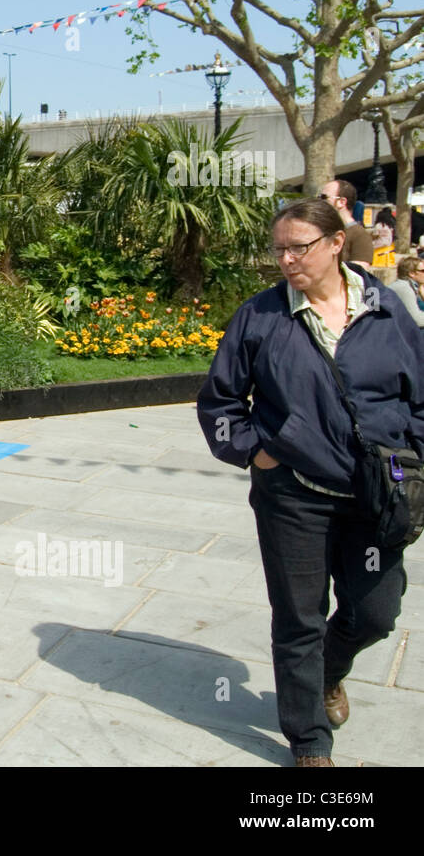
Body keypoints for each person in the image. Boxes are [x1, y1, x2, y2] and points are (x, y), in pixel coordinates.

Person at [197, 198, 423, 767]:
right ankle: (308, 738)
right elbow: (220, 403)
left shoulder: (386, 309)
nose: (288, 259)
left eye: (300, 247)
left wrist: (415, 456)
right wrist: (257, 451)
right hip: (292, 497)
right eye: (279, 249)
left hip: (376, 495)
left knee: (376, 612)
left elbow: (419, 395)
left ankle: (330, 669)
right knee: (298, 618)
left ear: (335, 245)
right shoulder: (261, 316)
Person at [318, 179, 374, 266]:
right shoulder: (320, 231)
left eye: (324, 197)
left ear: (341, 202)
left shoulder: (359, 235)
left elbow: (357, 274)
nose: (319, 202)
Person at [388, 256, 424, 328]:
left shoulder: (413, 286)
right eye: (423, 271)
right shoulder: (404, 288)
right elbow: (417, 320)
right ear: (412, 273)